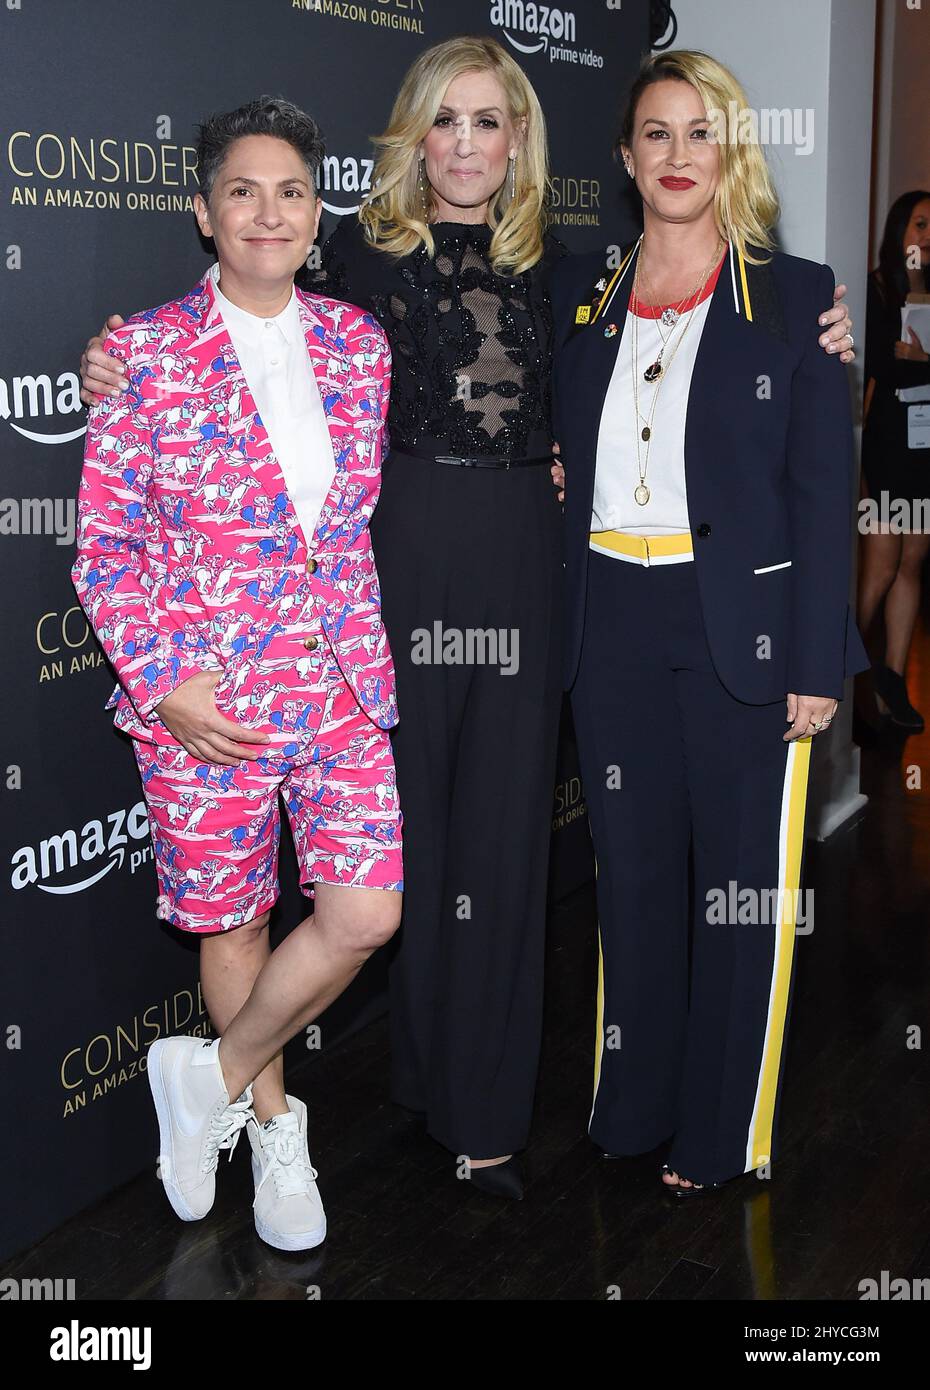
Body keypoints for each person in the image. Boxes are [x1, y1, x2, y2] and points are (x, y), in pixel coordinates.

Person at [78, 40, 855, 1204]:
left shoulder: (573, 272)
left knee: (502, 844)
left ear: (520, 139)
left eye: (489, 121)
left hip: (528, 572)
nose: (466, 143)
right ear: (414, 135)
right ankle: (422, 1083)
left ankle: (487, 1119)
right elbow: (247, 318)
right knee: (411, 853)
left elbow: (689, 385)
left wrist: (821, 330)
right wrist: (112, 361)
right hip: (389, 576)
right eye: (445, 119)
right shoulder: (348, 257)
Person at [71, 97, 403, 1251]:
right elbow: (104, 549)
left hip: (338, 682)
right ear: (204, 212)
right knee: (237, 925)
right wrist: (164, 682)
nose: (271, 212)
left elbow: (350, 527)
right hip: (205, 702)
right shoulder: (143, 354)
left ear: (318, 211)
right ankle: (270, 1129)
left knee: (364, 912)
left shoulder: (360, 345)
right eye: (244, 192)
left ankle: (203, 1078)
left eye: (293, 191)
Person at [549, 50, 869, 1196]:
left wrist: (819, 659)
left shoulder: (796, 295)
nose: (678, 155)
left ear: (730, 151)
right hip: (610, 621)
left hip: (744, 631)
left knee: (740, 892)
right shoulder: (578, 290)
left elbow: (824, 494)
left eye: (701, 132)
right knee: (632, 878)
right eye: (657, 133)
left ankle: (723, 1131)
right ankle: (633, 1103)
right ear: (627, 157)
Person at [857, 191, 930, 731]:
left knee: (912, 562)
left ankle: (893, 681)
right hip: (888, 442)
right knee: (882, 563)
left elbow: (914, 362)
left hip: (925, 445)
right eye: (920, 224)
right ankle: (843, 668)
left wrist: (923, 357)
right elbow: (882, 366)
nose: (927, 236)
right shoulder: (877, 287)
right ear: (900, 228)